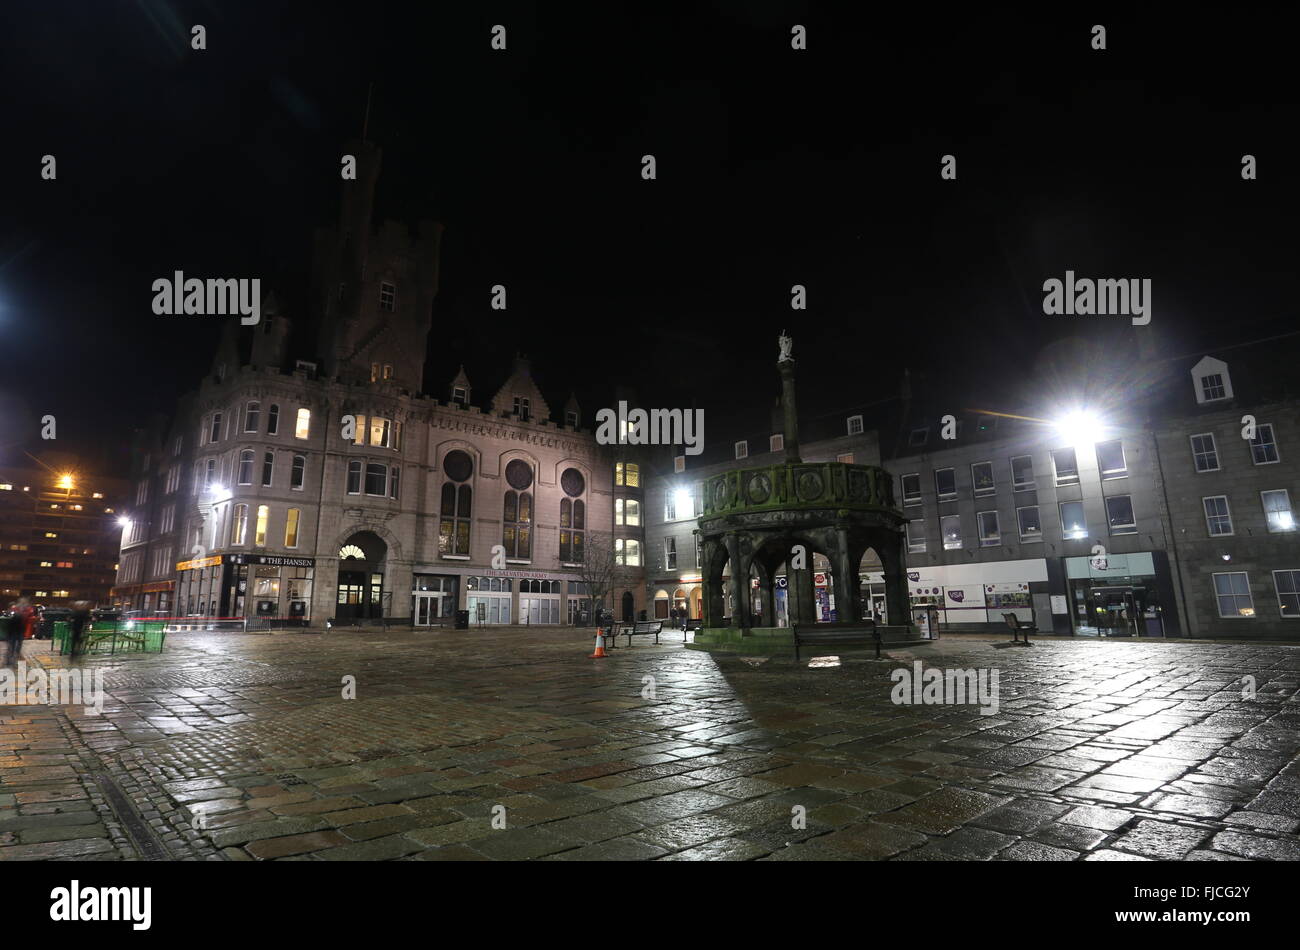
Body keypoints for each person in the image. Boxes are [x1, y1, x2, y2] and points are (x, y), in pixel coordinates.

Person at [3, 601, 25, 667]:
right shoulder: (11, 613)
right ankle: (10, 661)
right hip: (15, 633)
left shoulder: (14, 614)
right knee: (13, 648)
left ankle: (10, 661)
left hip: (15, 633)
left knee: (13, 648)